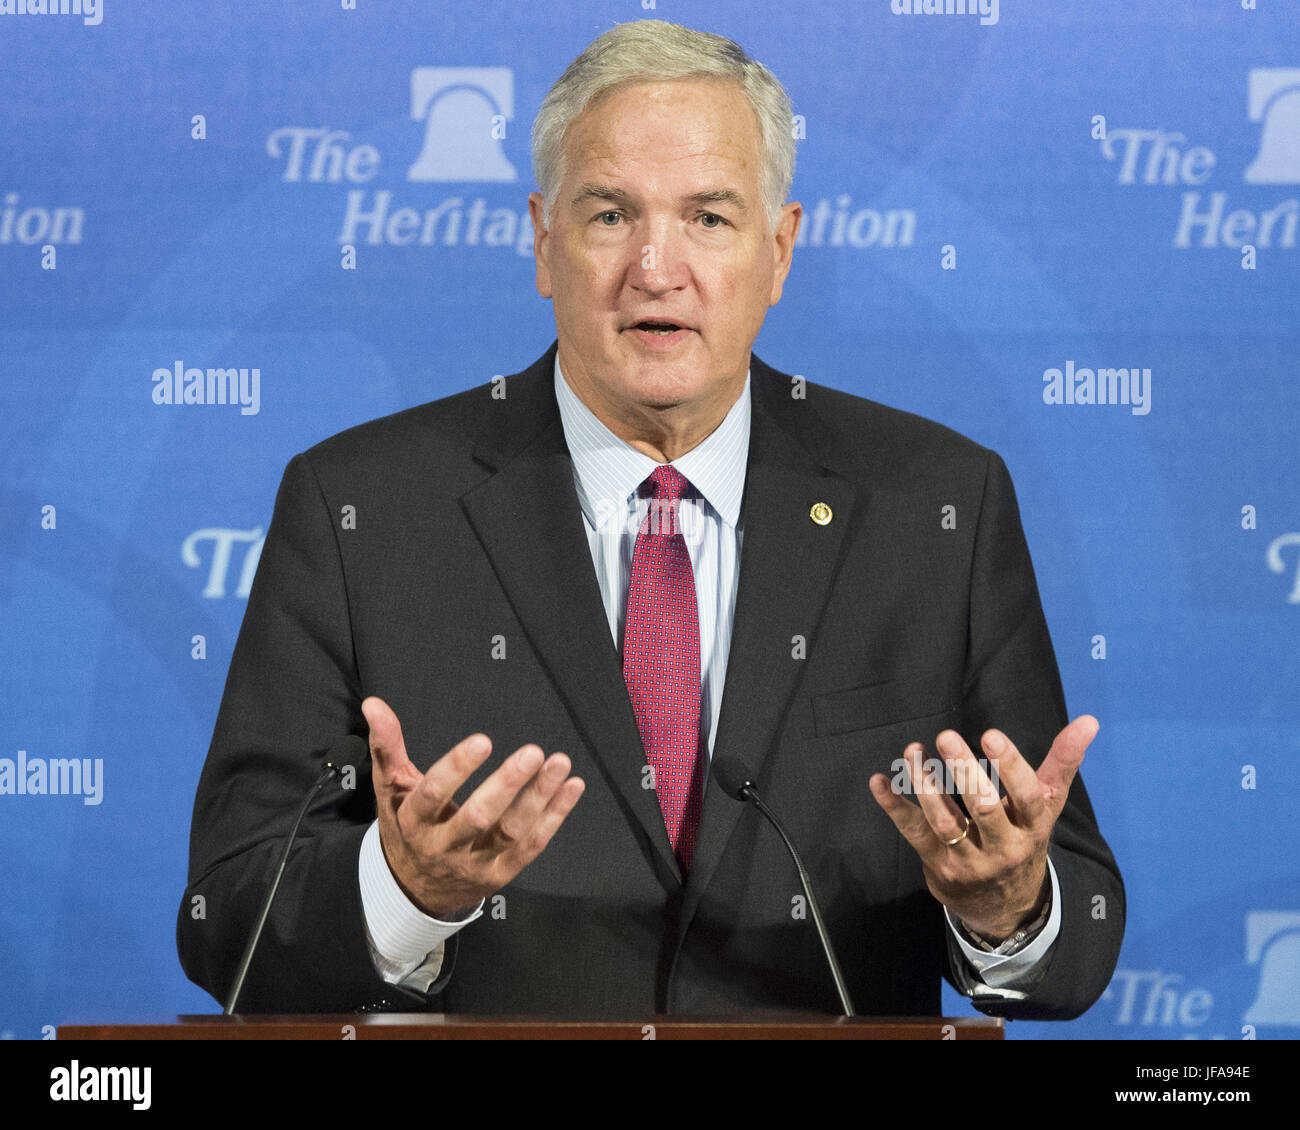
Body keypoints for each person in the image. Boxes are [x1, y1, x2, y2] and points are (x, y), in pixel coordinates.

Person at [178, 19, 1124, 1018]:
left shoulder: (937, 505)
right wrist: (407, 890)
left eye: (709, 218)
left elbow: (1072, 936)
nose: (655, 267)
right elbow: (224, 916)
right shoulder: (360, 506)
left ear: (778, 248)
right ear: (544, 244)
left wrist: (1007, 904)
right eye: (609, 216)